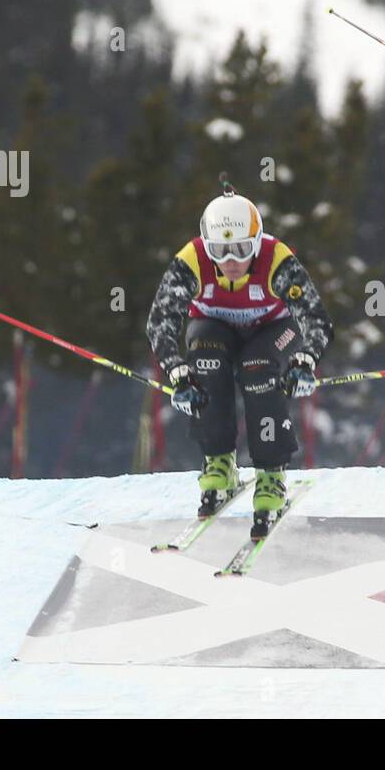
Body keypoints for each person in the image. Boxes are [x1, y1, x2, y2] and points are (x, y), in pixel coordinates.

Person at [146, 180, 333, 538]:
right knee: (205, 359)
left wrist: (305, 360)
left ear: (257, 241)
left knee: (257, 370)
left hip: (273, 329)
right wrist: (176, 371)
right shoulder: (192, 260)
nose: (231, 261)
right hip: (214, 328)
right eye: (220, 250)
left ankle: (271, 474)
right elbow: (161, 321)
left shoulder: (277, 259)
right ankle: (219, 462)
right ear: (207, 245)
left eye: (242, 249)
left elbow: (316, 318)